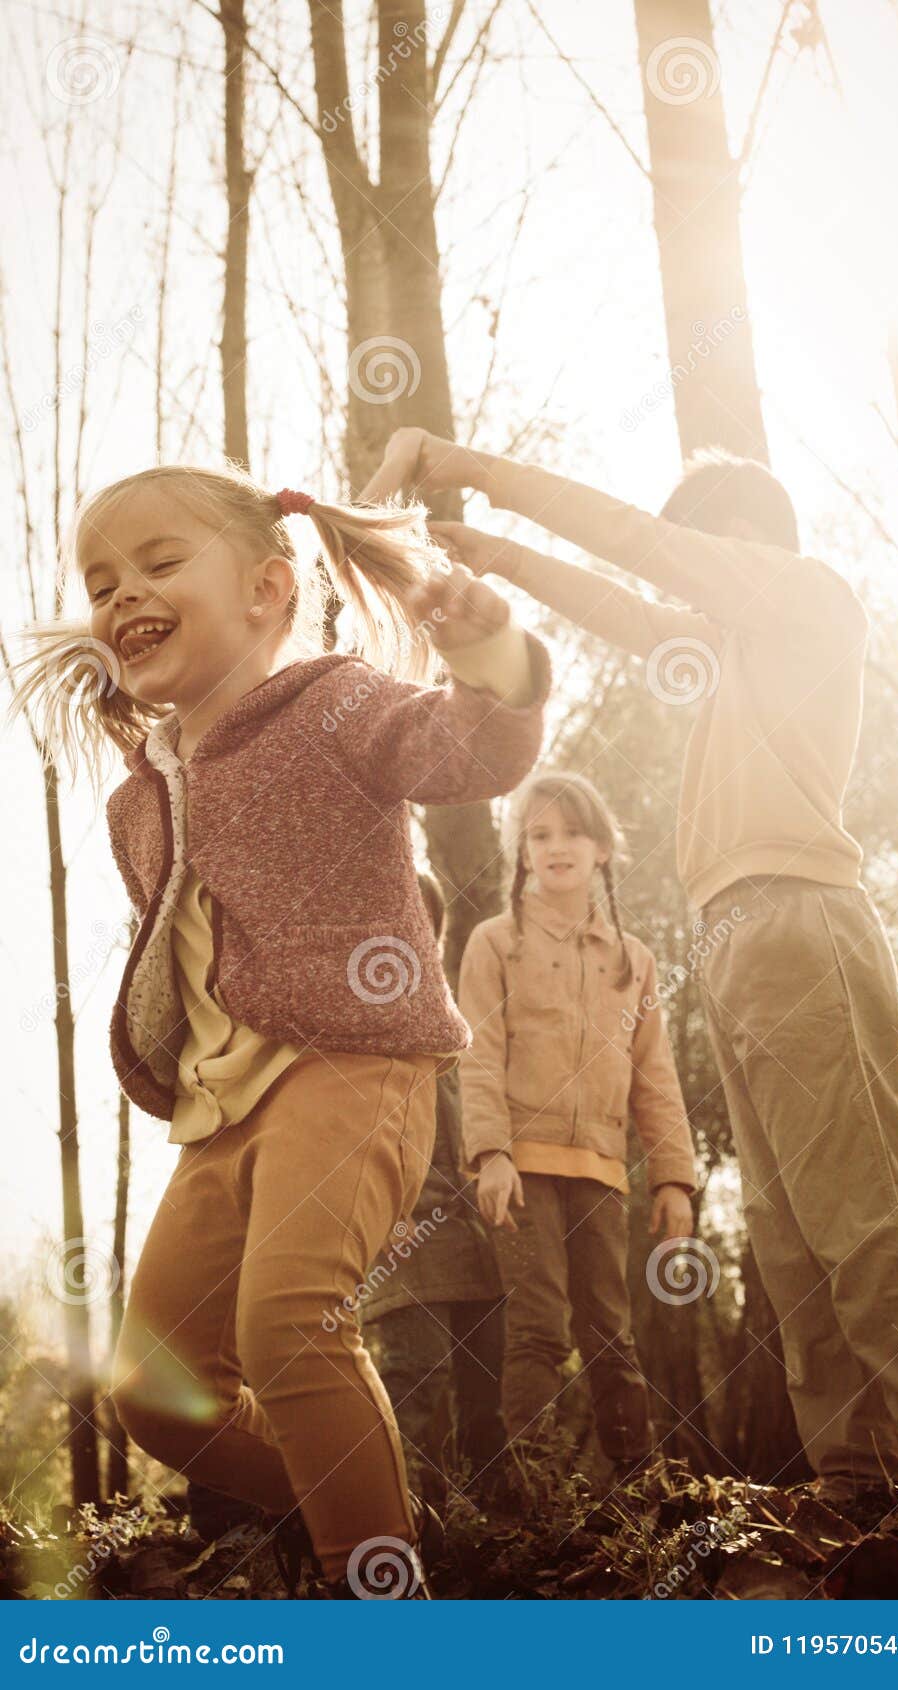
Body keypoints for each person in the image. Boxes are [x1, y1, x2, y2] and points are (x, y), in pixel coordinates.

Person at [363, 429, 898, 1505]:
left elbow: (637, 550)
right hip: (741, 946)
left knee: (862, 1229)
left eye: (695, 543)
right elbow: (620, 607)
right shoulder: (728, 650)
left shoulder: (811, 599)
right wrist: (482, 551)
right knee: (788, 1248)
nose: (674, 562)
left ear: (745, 542)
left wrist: (471, 466)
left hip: (802, 921)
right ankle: (862, 1495)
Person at [11, 462, 551, 1598]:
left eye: (159, 565)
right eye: (102, 582)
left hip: (349, 1068)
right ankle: (370, 1517)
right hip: (219, 1111)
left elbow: (475, 752)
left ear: (266, 590)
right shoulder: (135, 797)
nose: (122, 597)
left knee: (288, 1325)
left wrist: (487, 652)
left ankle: (382, 1600)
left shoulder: (334, 702)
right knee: (156, 1386)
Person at [456, 768, 698, 1486]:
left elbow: (655, 1076)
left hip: (598, 1168)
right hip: (521, 1167)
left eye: (571, 832)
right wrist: (491, 1152)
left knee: (610, 1334)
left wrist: (673, 1178)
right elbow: (478, 1055)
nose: (555, 846)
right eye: (539, 834)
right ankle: (532, 1498)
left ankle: (636, 1491)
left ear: (602, 849)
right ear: (522, 851)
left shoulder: (633, 960)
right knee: (537, 1328)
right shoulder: (494, 943)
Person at [359, 869, 507, 1512]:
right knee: (415, 1381)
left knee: (485, 1400)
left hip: (470, 1239)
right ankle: (397, 1523)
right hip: (398, 1238)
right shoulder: (356, 1030)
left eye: (423, 927)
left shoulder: (458, 1028)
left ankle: (496, 1534)